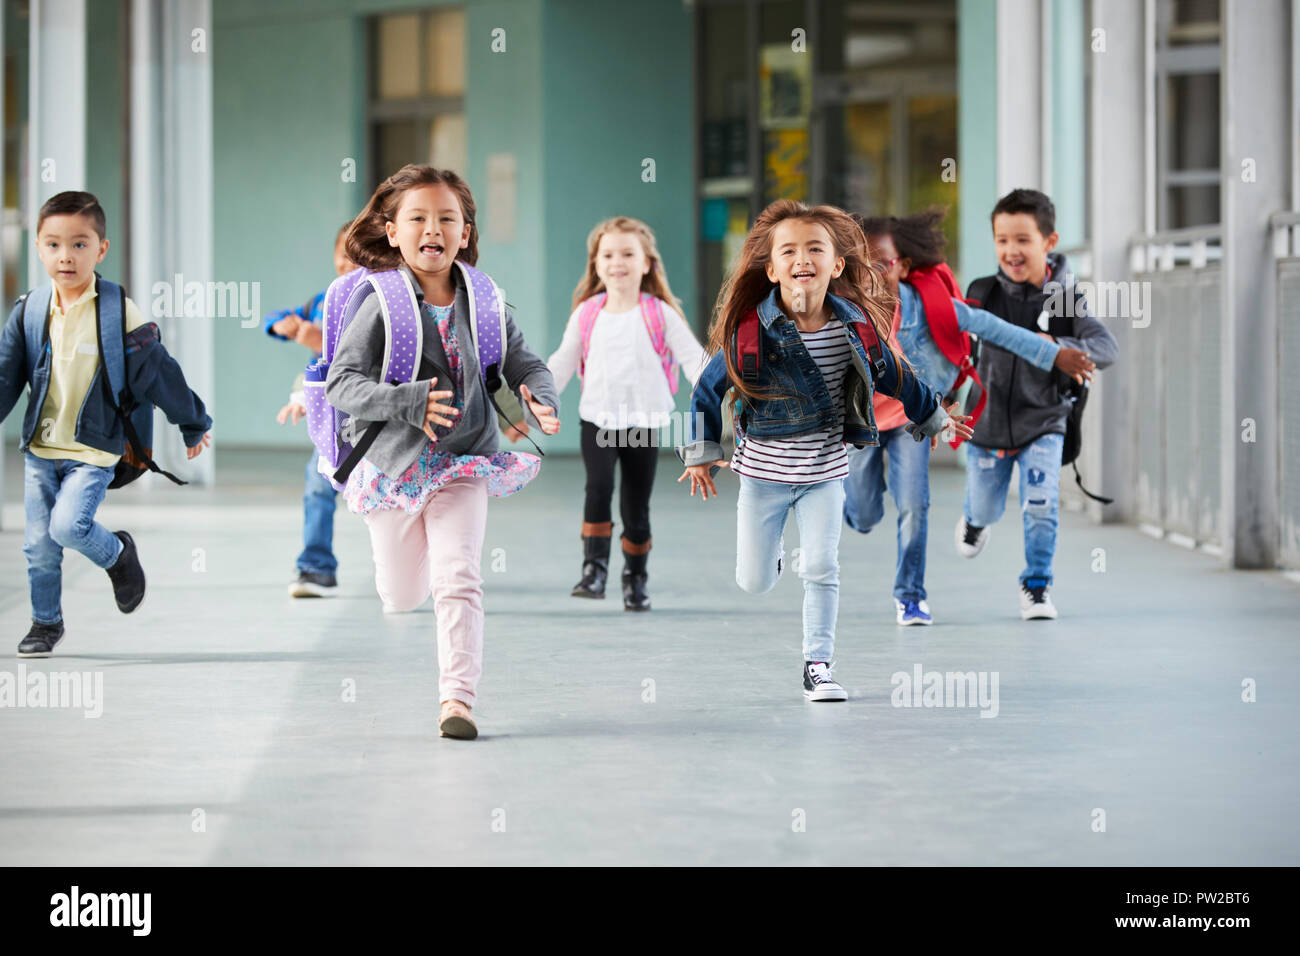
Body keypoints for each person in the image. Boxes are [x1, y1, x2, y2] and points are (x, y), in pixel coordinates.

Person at [677, 200, 971, 702]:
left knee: (821, 568)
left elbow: (898, 378)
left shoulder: (854, 329)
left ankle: (818, 665)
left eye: (815, 248)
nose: (802, 258)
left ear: (836, 265)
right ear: (771, 269)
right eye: (788, 250)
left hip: (825, 473)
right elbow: (705, 392)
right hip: (763, 478)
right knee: (753, 581)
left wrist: (935, 417)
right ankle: (768, 559)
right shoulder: (749, 331)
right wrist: (700, 452)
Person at [326, 165, 560, 740]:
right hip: (394, 464)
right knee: (402, 595)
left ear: (464, 231)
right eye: (418, 218)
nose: (433, 228)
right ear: (392, 230)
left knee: (460, 577)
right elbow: (342, 383)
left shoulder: (483, 299)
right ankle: (419, 560)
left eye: (447, 218)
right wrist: (406, 402)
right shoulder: (381, 302)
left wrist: (539, 394)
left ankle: (457, 700)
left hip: (465, 457)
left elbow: (522, 360)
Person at [846, 210, 1096, 626]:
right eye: (859, 266)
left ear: (903, 267)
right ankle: (854, 508)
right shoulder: (840, 311)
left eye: (882, 264)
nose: (870, 275)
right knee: (865, 515)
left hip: (914, 420)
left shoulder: (930, 307)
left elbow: (994, 328)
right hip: (861, 424)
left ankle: (910, 595)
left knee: (914, 505)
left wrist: (1056, 355)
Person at [0, 190, 212, 657]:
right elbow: (5, 376)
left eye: (80, 244)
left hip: (93, 451)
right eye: (53, 244)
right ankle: (45, 624)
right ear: (38, 247)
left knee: (68, 528)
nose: (66, 256)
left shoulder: (117, 313)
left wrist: (192, 422)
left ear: (102, 249)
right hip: (41, 449)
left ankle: (118, 554)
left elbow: (160, 373)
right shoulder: (30, 312)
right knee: (39, 547)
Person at [955, 188, 1118, 619]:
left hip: (1044, 420)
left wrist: (1058, 345)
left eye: (1023, 240)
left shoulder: (1063, 298)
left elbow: (1106, 346)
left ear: (1049, 242)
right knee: (986, 506)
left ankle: (1037, 586)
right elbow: (954, 346)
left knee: (1042, 504)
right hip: (985, 423)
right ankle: (974, 518)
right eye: (1002, 239)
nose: (1011, 250)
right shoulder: (982, 291)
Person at [548, 216, 705, 610]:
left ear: (647, 263)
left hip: (644, 424)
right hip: (598, 421)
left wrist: (727, 390)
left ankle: (635, 578)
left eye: (628, 254)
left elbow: (695, 362)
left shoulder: (659, 313)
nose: (617, 262)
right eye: (608, 254)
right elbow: (562, 363)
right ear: (596, 264)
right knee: (597, 488)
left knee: (636, 503)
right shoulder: (587, 313)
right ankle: (594, 569)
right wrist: (535, 398)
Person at [264, 223, 353, 597]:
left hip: (380, 419)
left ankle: (419, 571)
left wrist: (323, 342)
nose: (350, 262)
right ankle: (316, 568)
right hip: (332, 418)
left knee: (397, 497)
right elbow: (280, 315)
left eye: (361, 254)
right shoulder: (324, 300)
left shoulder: (385, 298)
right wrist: (280, 324)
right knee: (318, 486)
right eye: (344, 253)